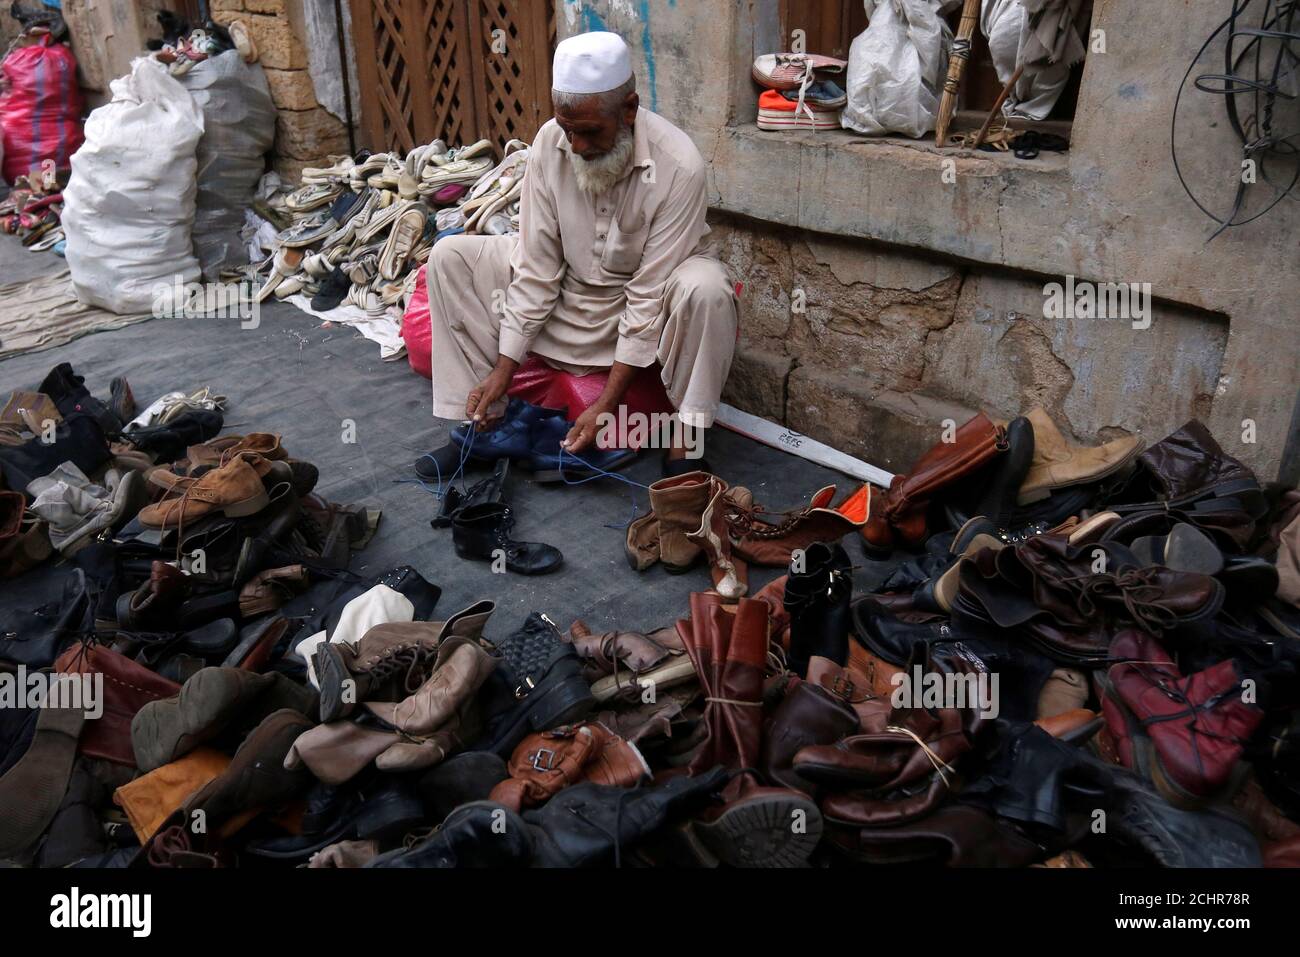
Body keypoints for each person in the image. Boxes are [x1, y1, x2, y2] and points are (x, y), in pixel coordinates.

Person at [418, 30, 737, 479]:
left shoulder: (679, 164)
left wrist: (606, 405)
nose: (578, 147)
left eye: (590, 132)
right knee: (450, 257)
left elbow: (649, 292)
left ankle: (686, 445)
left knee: (707, 288)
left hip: (642, 305)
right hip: (566, 299)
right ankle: (485, 425)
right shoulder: (552, 143)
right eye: (569, 131)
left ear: (629, 109)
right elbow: (537, 266)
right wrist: (504, 370)